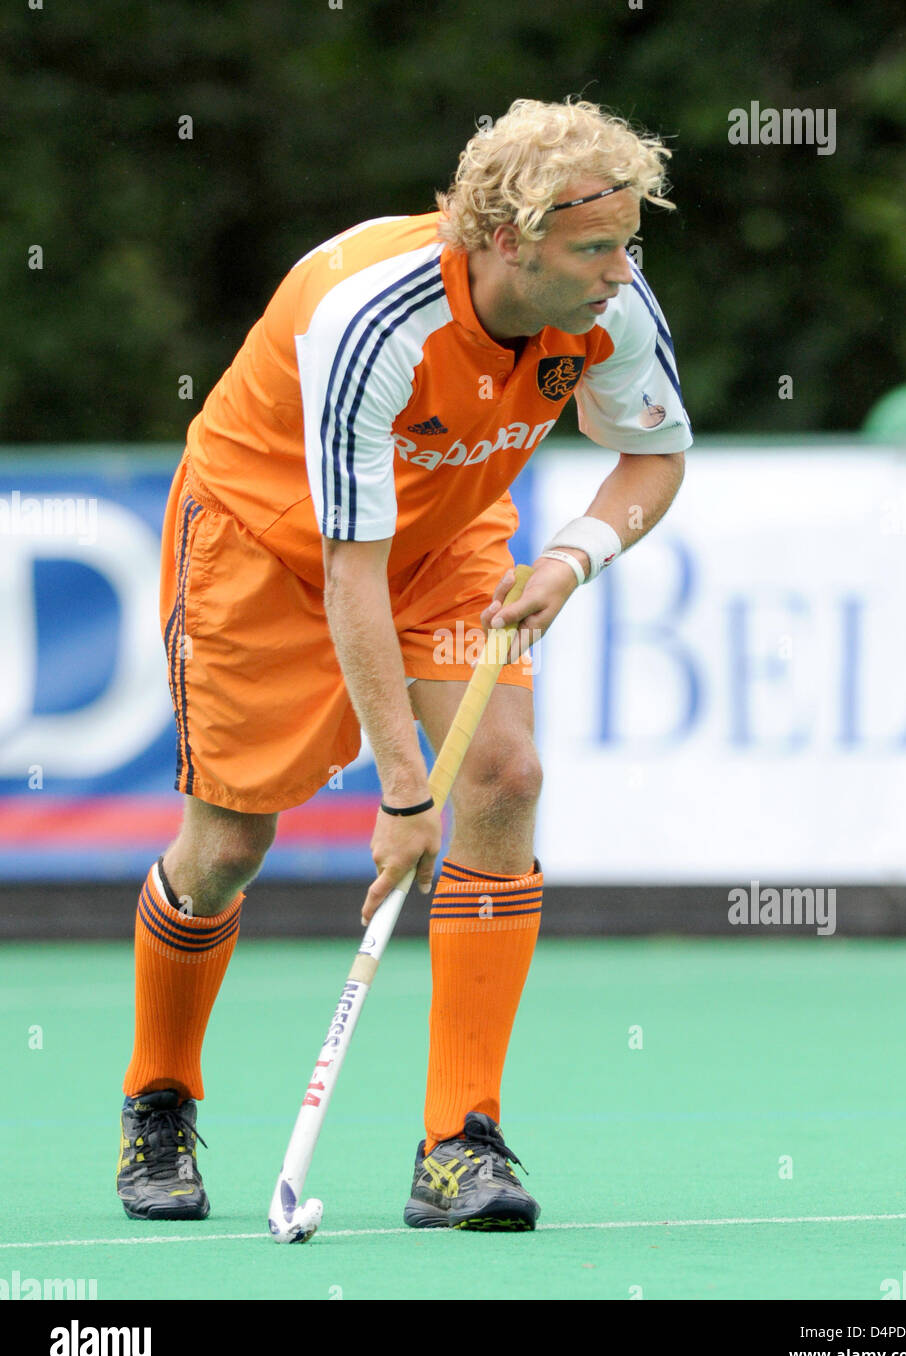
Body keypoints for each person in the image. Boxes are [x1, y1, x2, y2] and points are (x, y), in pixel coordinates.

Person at [116, 96, 693, 1232]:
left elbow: (653, 457)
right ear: (504, 240)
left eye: (627, 242)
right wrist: (399, 790)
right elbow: (348, 571)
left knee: (505, 778)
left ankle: (457, 1143)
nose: (618, 271)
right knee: (229, 842)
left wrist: (571, 558)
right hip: (267, 541)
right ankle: (159, 1097)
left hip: (448, 537)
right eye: (593, 247)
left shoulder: (606, 304)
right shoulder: (371, 317)